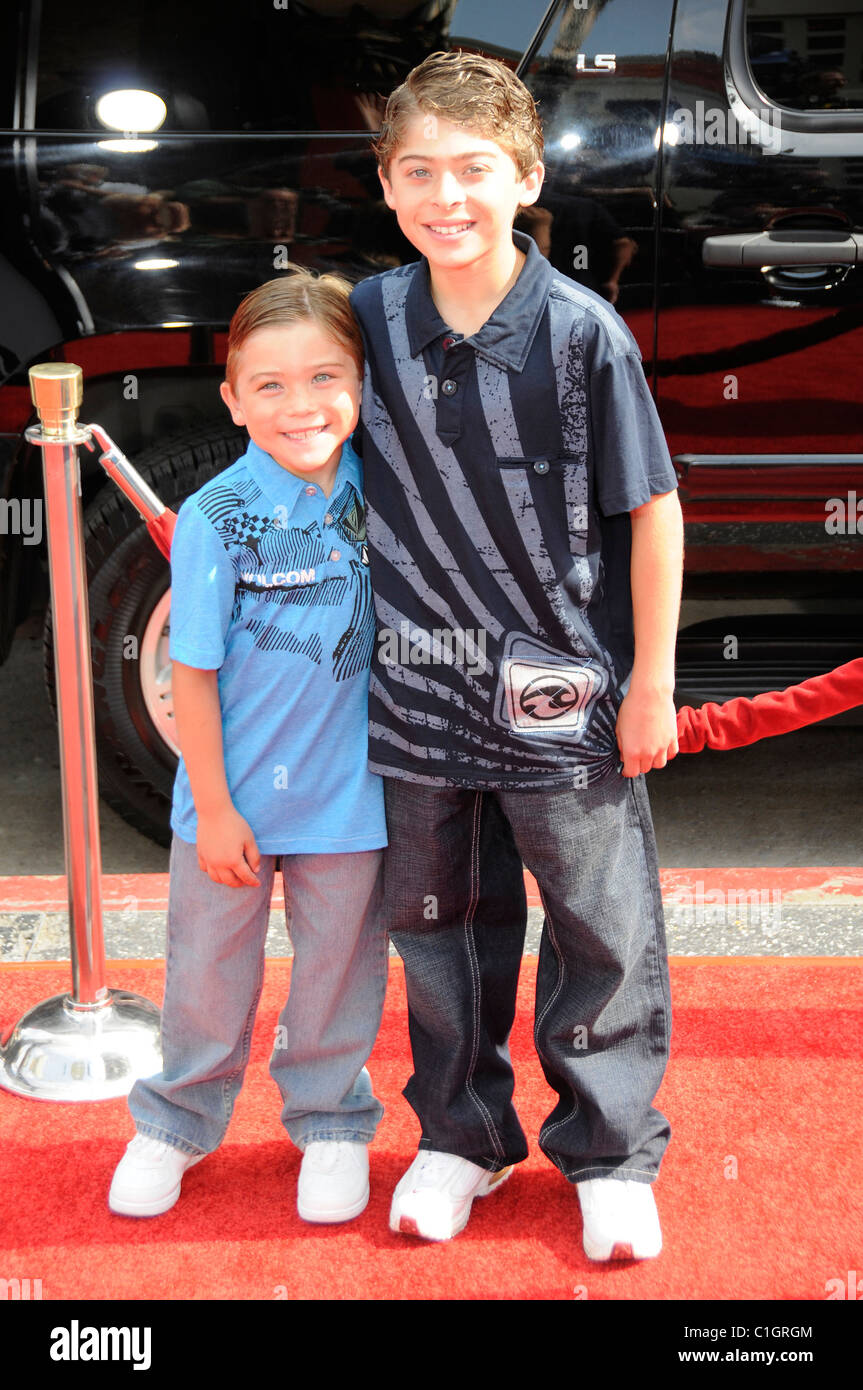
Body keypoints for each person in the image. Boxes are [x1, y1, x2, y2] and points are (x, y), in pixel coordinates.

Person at [350, 50, 684, 1259]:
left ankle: (606, 1148)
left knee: (597, 922)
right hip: (417, 695)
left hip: (563, 695)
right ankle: (460, 1136)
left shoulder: (584, 336)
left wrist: (649, 680)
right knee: (437, 921)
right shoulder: (369, 317)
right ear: (387, 184)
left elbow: (652, 508)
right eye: (419, 170)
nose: (447, 194)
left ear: (527, 175)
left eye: (474, 169)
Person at [108, 270, 388, 1224]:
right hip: (225, 802)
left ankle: (330, 1118)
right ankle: (178, 1118)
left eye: (323, 377)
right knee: (205, 967)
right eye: (268, 385)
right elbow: (190, 670)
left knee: (339, 969)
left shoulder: (388, 499)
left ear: (360, 383)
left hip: (352, 799)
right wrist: (217, 804)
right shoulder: (214, 519)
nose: (299, 404)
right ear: (230, 398)